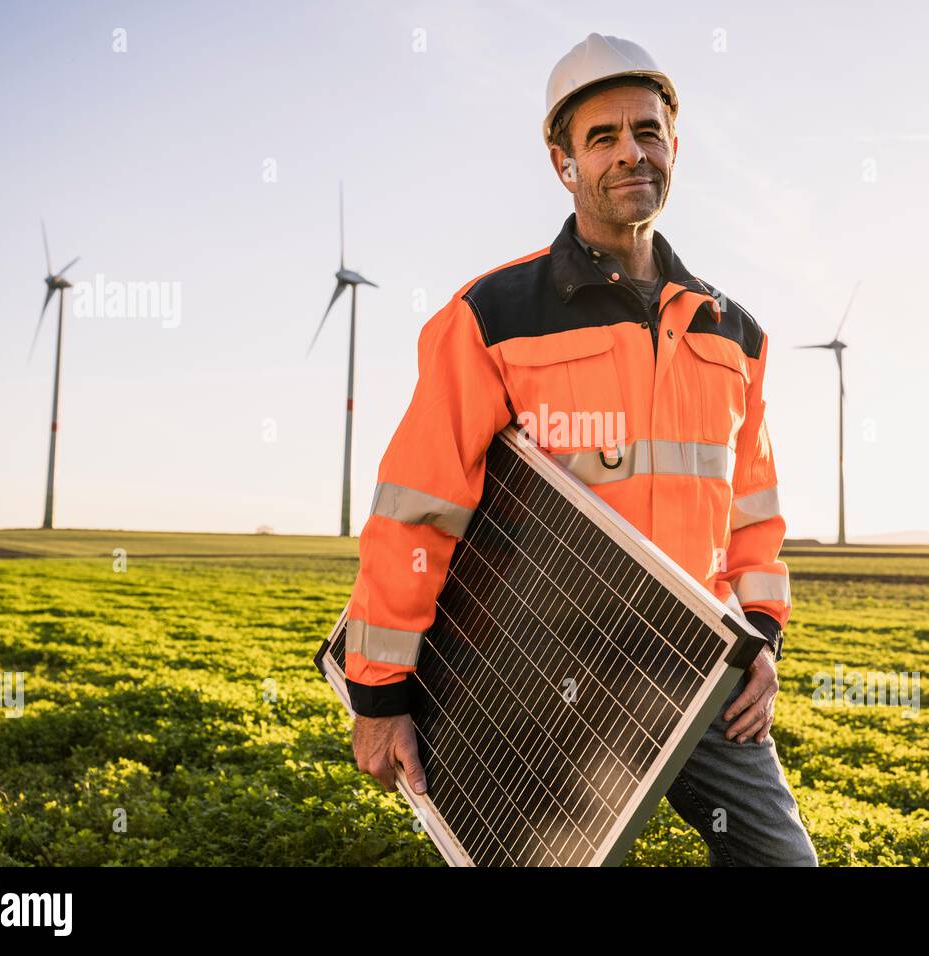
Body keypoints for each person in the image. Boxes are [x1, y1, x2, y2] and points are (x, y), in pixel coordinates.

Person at [345, 32, 817, 867]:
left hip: (697, 663)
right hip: (543, 673)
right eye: (602, 137)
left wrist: (764, 637)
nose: (631, 153)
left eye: (648, 131)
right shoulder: (491, 315)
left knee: (780, 862)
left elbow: (754, 509)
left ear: (674, 147)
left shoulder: (734, 331)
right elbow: (418, 506)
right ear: (564, 162)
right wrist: (380, 693)